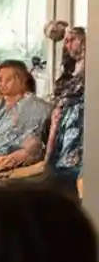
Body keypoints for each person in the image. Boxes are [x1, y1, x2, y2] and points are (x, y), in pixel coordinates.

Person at [0, 59, 51, 172]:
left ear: (21, 80)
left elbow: (37, 145)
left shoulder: (41, 108)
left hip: (19, 167)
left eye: (8, 80)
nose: (2, 84)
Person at [46, 26, 85, 196]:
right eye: (66, 41)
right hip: (61, 129)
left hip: (79, 130)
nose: (68, 44)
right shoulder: (67, 73)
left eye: (72, 39)